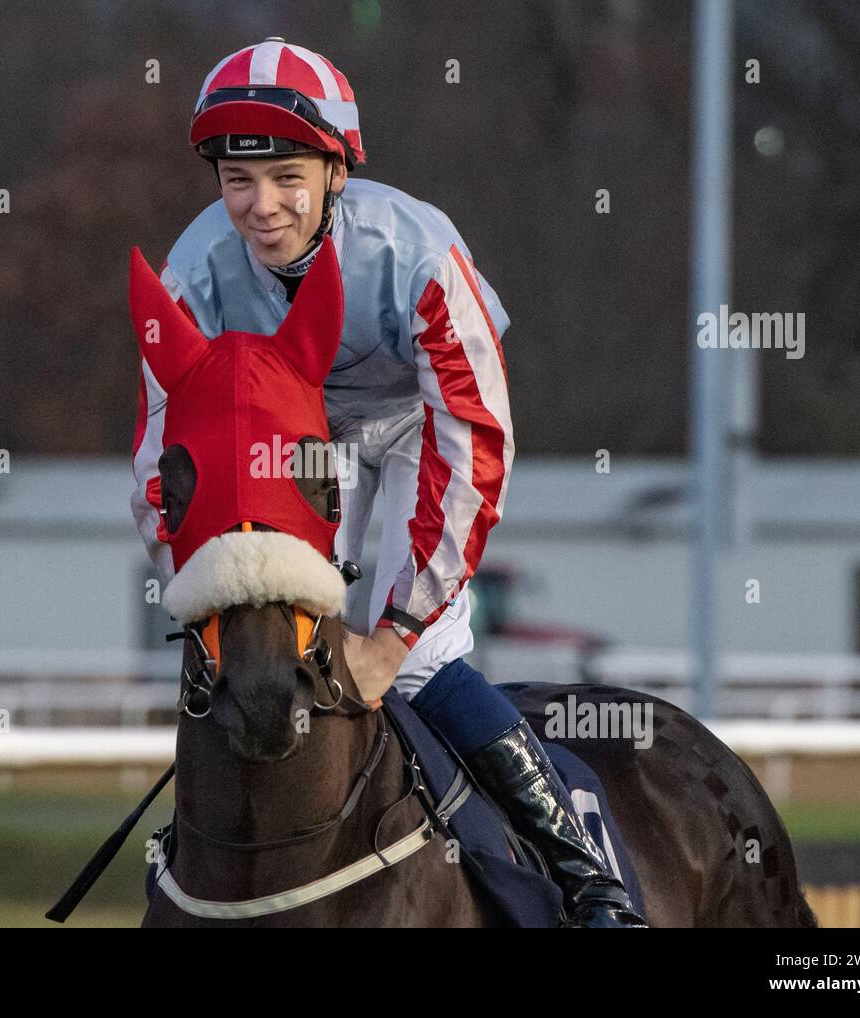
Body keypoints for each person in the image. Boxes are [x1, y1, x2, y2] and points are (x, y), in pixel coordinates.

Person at [130, 37, 647, 928]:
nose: (260, 207)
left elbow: (475, 440)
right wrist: (207, 596)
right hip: (304, 445)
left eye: (287, 177)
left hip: (425, 425)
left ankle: (586, 877)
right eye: (237, 180)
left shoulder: (417, 252)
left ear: (337, 171)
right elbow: (165, 463)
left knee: (416, 657)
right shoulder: (192, 276)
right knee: (274, 639)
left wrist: (398, 632)